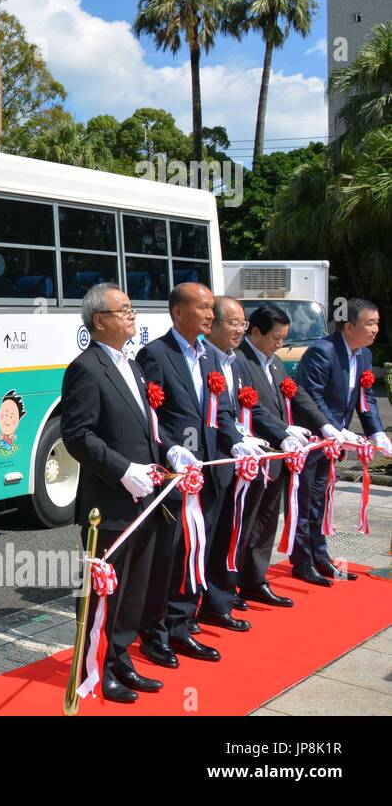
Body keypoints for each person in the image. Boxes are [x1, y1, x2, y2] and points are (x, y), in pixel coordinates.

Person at [136, 282, 254, 668]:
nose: (210, 316)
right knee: (167, 555)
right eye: (203, 309)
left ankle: (182, 624)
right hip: (174, 477)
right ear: (178, 313)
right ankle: (155, 633)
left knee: (195, 552)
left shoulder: (209, 358)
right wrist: (171, 447)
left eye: (211, 309)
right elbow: (151, 414)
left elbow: (218, 411)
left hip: (208, 472)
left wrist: (235, 440)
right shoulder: (155, 354)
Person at [61, 283, 169, 702]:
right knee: (103, 587)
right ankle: (94, 667)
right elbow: (77, 435)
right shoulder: (86, 368)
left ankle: (120, 657)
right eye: (123, 309)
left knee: (133, 587)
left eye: (132, 308)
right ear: (99, 320)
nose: (132, 315)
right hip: (107, 501)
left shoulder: (133, 364)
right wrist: (123, 471)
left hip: (144, 497)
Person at [235, 304, 333, 605]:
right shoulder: (240, 361)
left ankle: (255, 579)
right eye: (275, 338)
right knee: (245, 523)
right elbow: (253, 408)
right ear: (255, 332)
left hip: (278, 458)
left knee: (266, 522)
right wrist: (284, 431)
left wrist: (325, 426)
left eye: (283, 338)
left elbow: (296, 395)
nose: (280, 344)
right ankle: (231, 582)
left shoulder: (274, 362)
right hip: (254, 456)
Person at [291, 298, 391, 584]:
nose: (375, 330)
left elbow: (365, 397)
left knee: (322, 499)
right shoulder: (322, 352)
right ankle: (302, 560)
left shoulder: (363, 356)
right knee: (306, 499)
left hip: (335, 441)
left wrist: (376, 432)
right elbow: (311, 396)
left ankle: (319, 554)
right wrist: (335, 429)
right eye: (369, 324)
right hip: (314, 438)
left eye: (377, 324)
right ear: (349, 326)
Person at [199, 296, 271, 630]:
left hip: (236, 463)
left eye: (243, 323)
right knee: (204, 538)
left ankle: (220, 601)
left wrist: (278, 434)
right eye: (233, 322)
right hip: (207, 464)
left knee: (230, 533)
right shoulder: (202, 358)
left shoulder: (237, 362)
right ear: (211, 323)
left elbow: (247, 408)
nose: (240, 330)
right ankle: (192, 605)